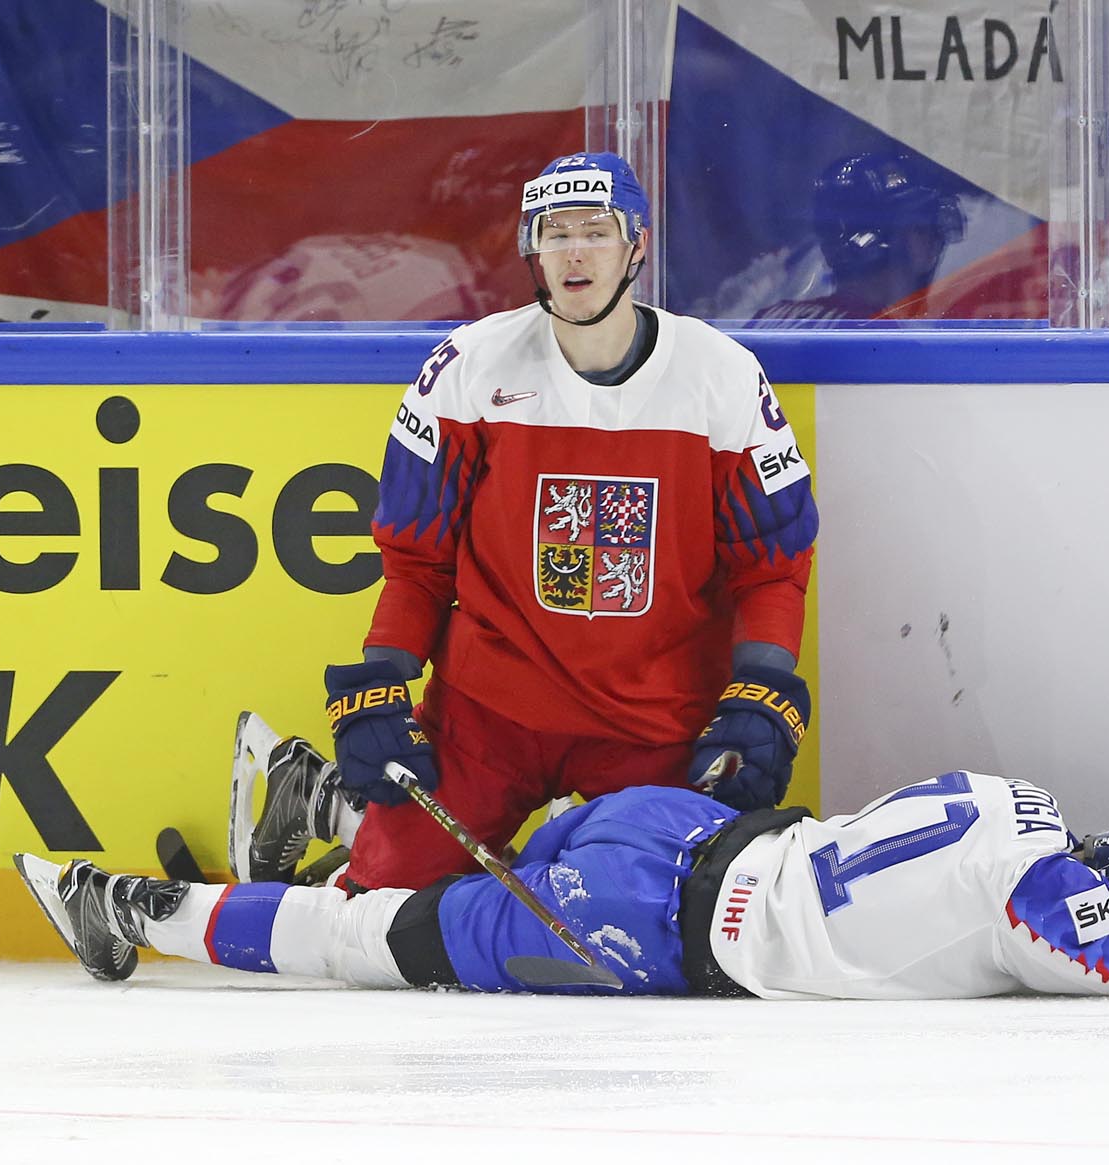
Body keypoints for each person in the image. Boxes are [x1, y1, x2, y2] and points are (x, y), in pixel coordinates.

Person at [235, 150, 820, 894]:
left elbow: (772, 568)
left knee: (670, 913)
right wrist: (380, 679)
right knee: (386, 903)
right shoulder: (469, 366)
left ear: (637, 244)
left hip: (654, 719)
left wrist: (760, 690)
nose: (575, 251)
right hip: (493, 713)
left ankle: (328, 803)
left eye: (596, 231)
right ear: (531, 249)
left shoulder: (722, 377)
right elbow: (418, 565)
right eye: (555, 232)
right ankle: (348, 815)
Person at [20, 769, 1109, 1000]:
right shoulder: (1038, 898)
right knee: (371, 942)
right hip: (648, 931)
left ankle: (325, 798)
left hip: (673, 821)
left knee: (470, 847)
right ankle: (134, 911)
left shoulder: (1003, 793)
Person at [755, 150, 966, 325]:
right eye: (921, 227)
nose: (935, 240)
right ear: (875, 243)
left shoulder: (770, 319)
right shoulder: (882, 340)